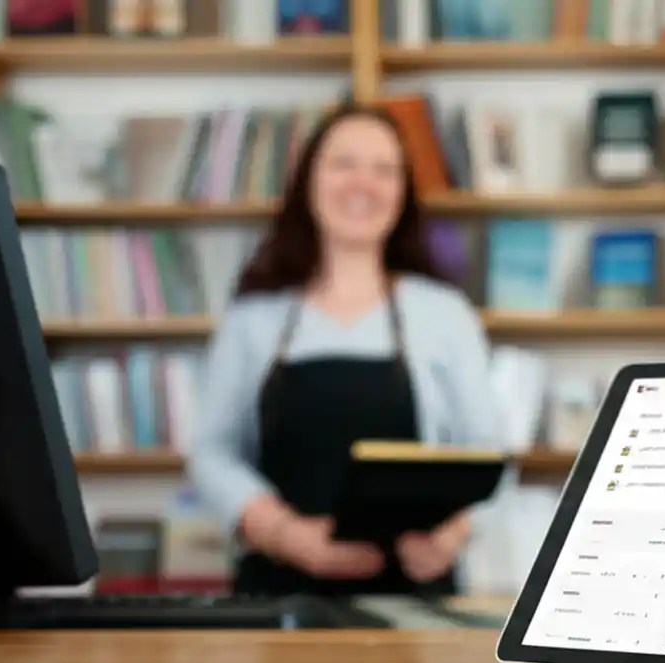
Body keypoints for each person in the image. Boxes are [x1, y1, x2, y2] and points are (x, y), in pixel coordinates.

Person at [186, 105, 500, 596]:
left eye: (384, 170)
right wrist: (285, 534)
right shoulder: (253, 316)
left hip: (416, 602)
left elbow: (491, 458)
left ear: (402, 192)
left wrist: (450, 535)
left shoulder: (446, 314)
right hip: (277, 599)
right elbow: (212, 452)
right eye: (343, 164)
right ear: (308, 182)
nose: (363, 184)